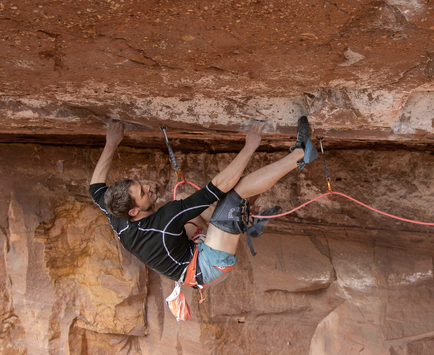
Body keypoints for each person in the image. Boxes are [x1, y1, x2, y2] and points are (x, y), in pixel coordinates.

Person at [89, 116, 317, 319]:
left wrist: (112, 142)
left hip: (189, 251)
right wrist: (249, 148)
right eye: (142, 193)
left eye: (140, 184)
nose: (148, 187)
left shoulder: (116, 214)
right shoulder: (164, 220)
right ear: (133, 212)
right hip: (208, 266)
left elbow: (95, 188)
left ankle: (231, 222)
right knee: (234, 196)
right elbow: (218, 187)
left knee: (187, 200)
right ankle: (301, 154)